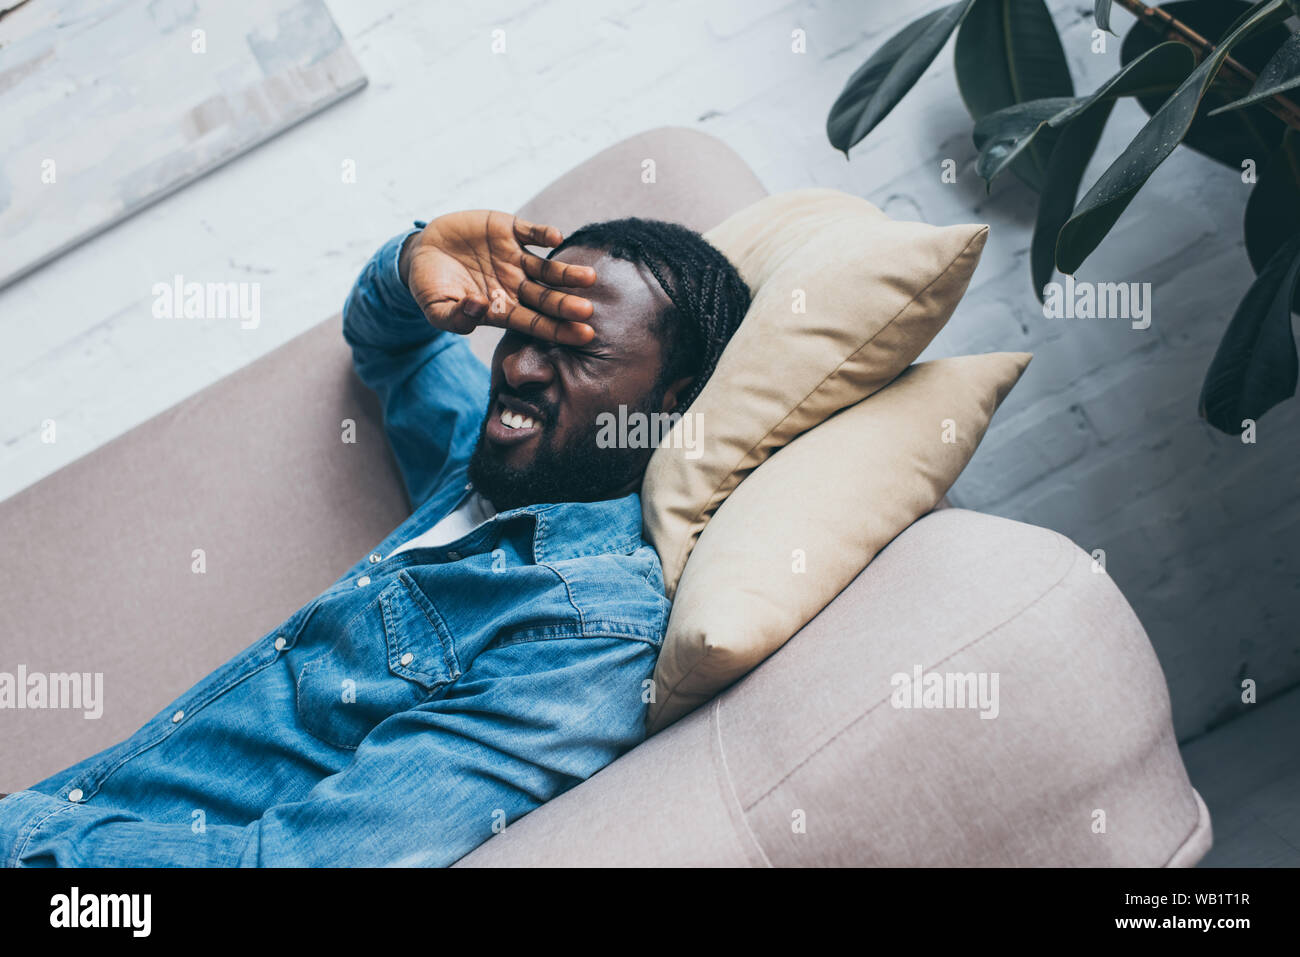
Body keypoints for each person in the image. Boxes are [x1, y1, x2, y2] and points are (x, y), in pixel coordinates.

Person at [0, 209, 750, 866]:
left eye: (577, 352)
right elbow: (389, 344)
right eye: (519, 329)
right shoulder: (487, 464)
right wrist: (409, 259)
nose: (517, 365)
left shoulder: (585, 636)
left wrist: (18, 832)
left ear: (668, 405)